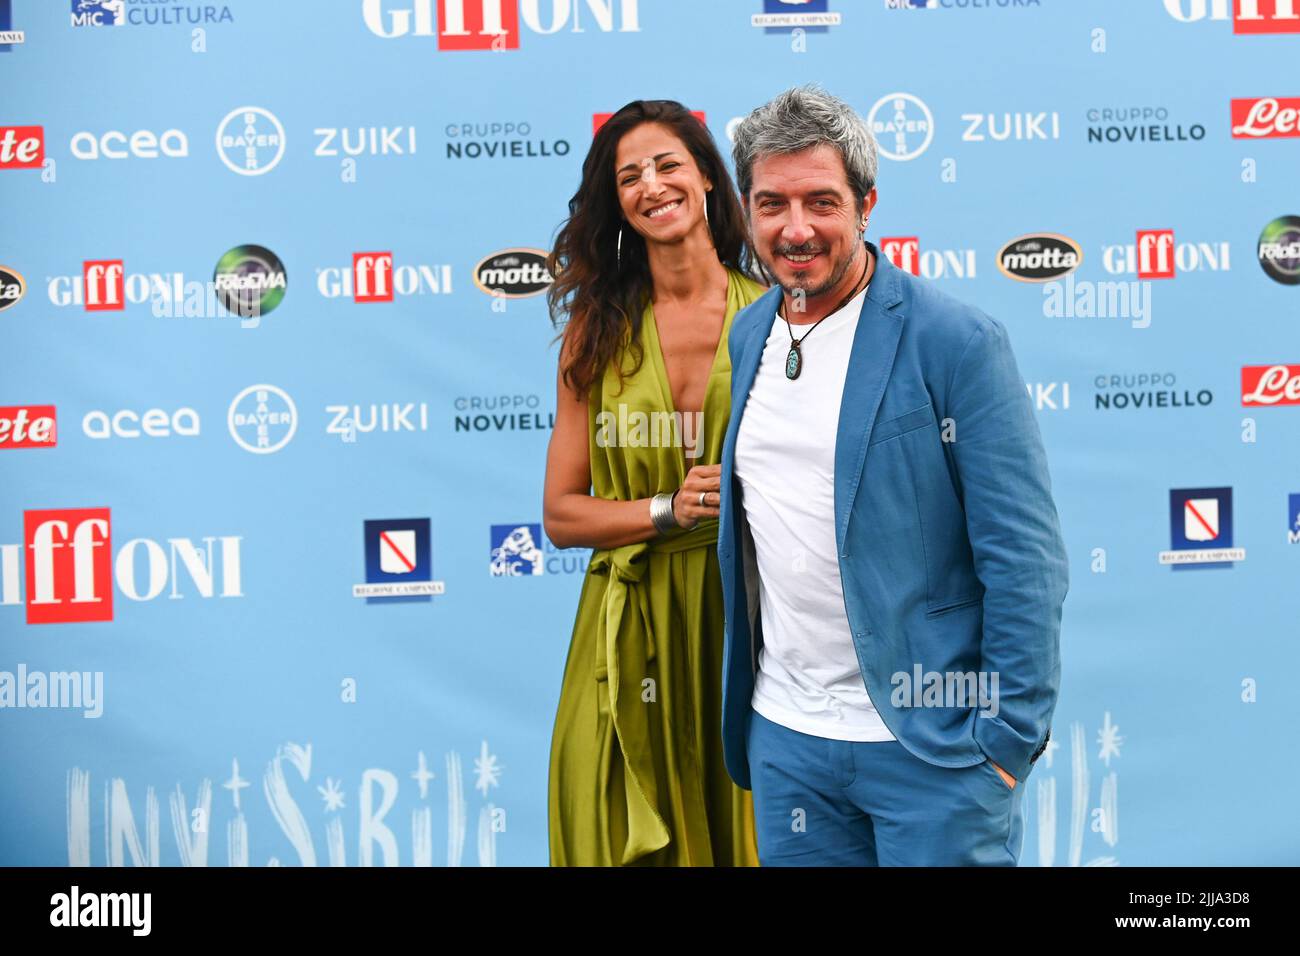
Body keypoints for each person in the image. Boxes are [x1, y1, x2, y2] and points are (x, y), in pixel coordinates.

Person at [717, 85, 1069, 866]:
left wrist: (1005, 743)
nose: (796, 228)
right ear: (746, 211)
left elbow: (1025, 560)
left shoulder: (957, 342)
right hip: (788, 743)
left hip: (930, 746)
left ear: (866, 204)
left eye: (821, 202)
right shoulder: (748, 335)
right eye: (771, 204)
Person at [543, 100, 766, 866]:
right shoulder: (596, 329)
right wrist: (666, 509)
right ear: (619, 205)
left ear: (706, 177)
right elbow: (562, 515)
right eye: (628, 175)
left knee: (748, 832)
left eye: (667, 164)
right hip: (629, 619)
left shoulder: (773, 317)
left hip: (751, 617)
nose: (651, 185)